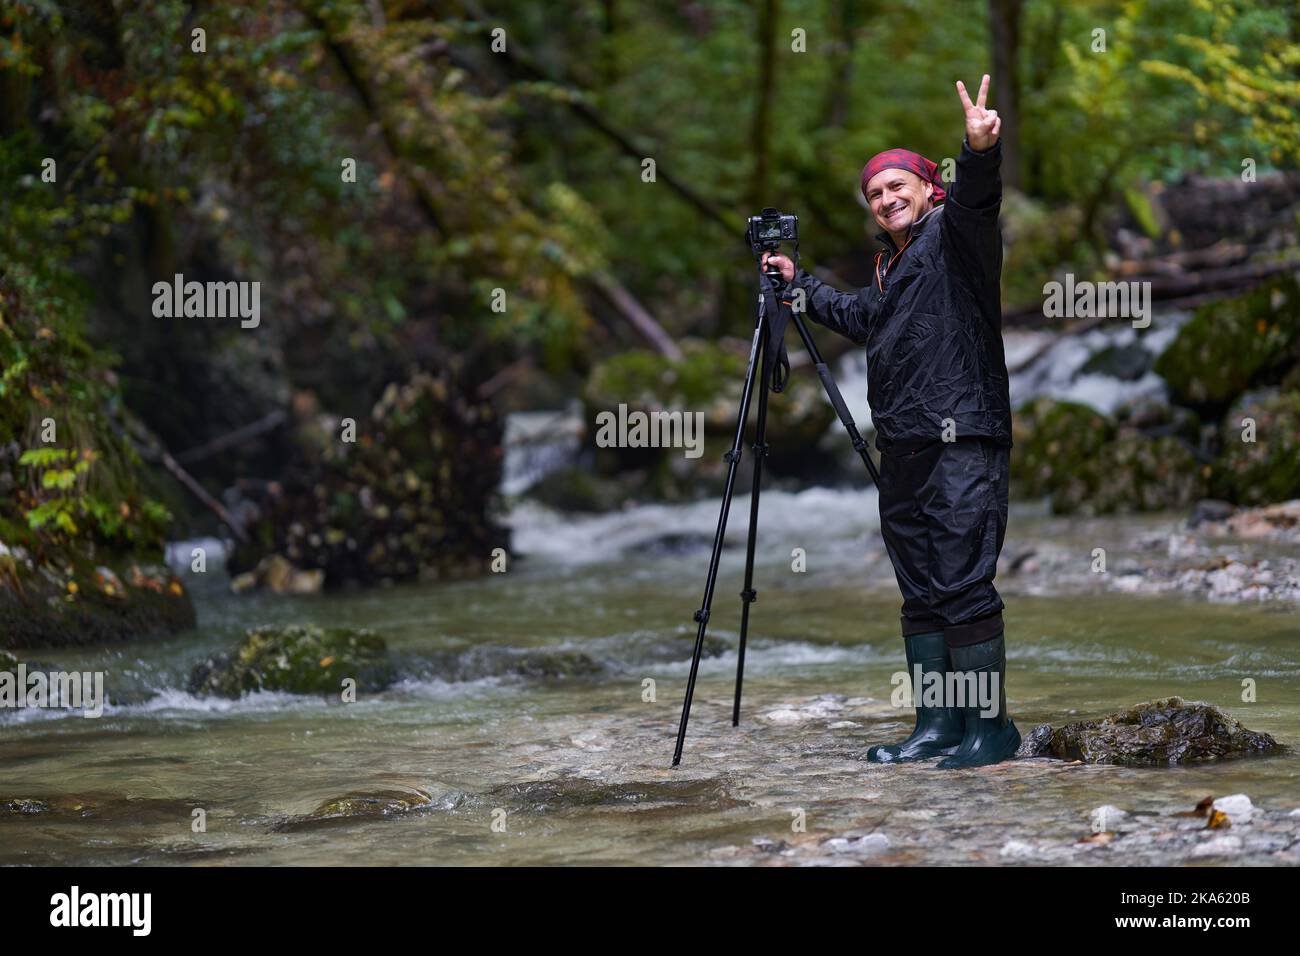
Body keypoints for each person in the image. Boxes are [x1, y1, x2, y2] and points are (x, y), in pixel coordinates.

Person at [762, 75, 1019, 768]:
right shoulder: (889, 270)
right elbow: (857, 318)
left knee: (964, 583)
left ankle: (990, 731)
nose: (885, 199)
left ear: (931, 190)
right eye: (875, 194)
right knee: (921, 591)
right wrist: (799, 285)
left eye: (897, 186)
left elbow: (978, 197)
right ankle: (938, 726)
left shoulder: (957, 239)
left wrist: (979, 147)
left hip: (962, 435)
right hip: (903, 447)